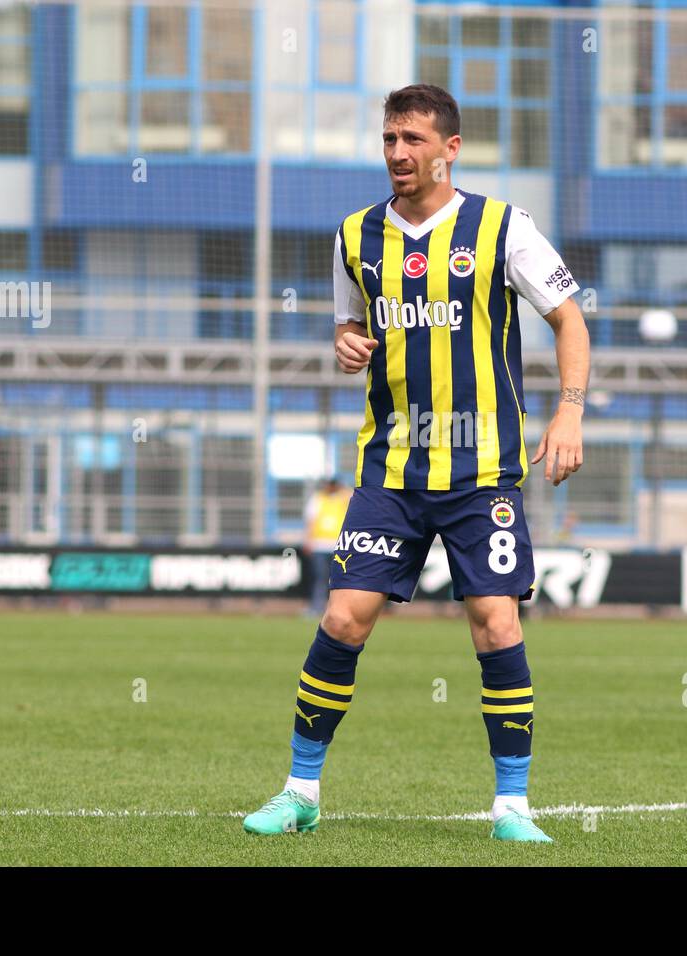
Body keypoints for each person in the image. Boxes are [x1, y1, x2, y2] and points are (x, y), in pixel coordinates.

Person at [242, 84, 590, 842]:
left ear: (449, 148)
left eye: (413, 140)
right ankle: (301, 792)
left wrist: (570, 408)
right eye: (390, 139)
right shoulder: (354, 236)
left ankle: (511, 809)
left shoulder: (503, 227)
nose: (398, 153)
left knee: (497, 625)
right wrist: (343, 344)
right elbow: (347, 327)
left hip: (482, 471)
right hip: (391, 471)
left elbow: (569, 317)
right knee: (343, 617)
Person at [302, 477, 352, 615]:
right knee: (320, 578)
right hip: (319, 545)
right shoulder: (318, 498)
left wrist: (343, 489)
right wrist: (308, 540)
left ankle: (339, 609)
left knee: (341, 580)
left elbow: (353, 498)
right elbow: (310, 520)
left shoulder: (343, 498)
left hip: (338, 545)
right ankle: (317, 607)